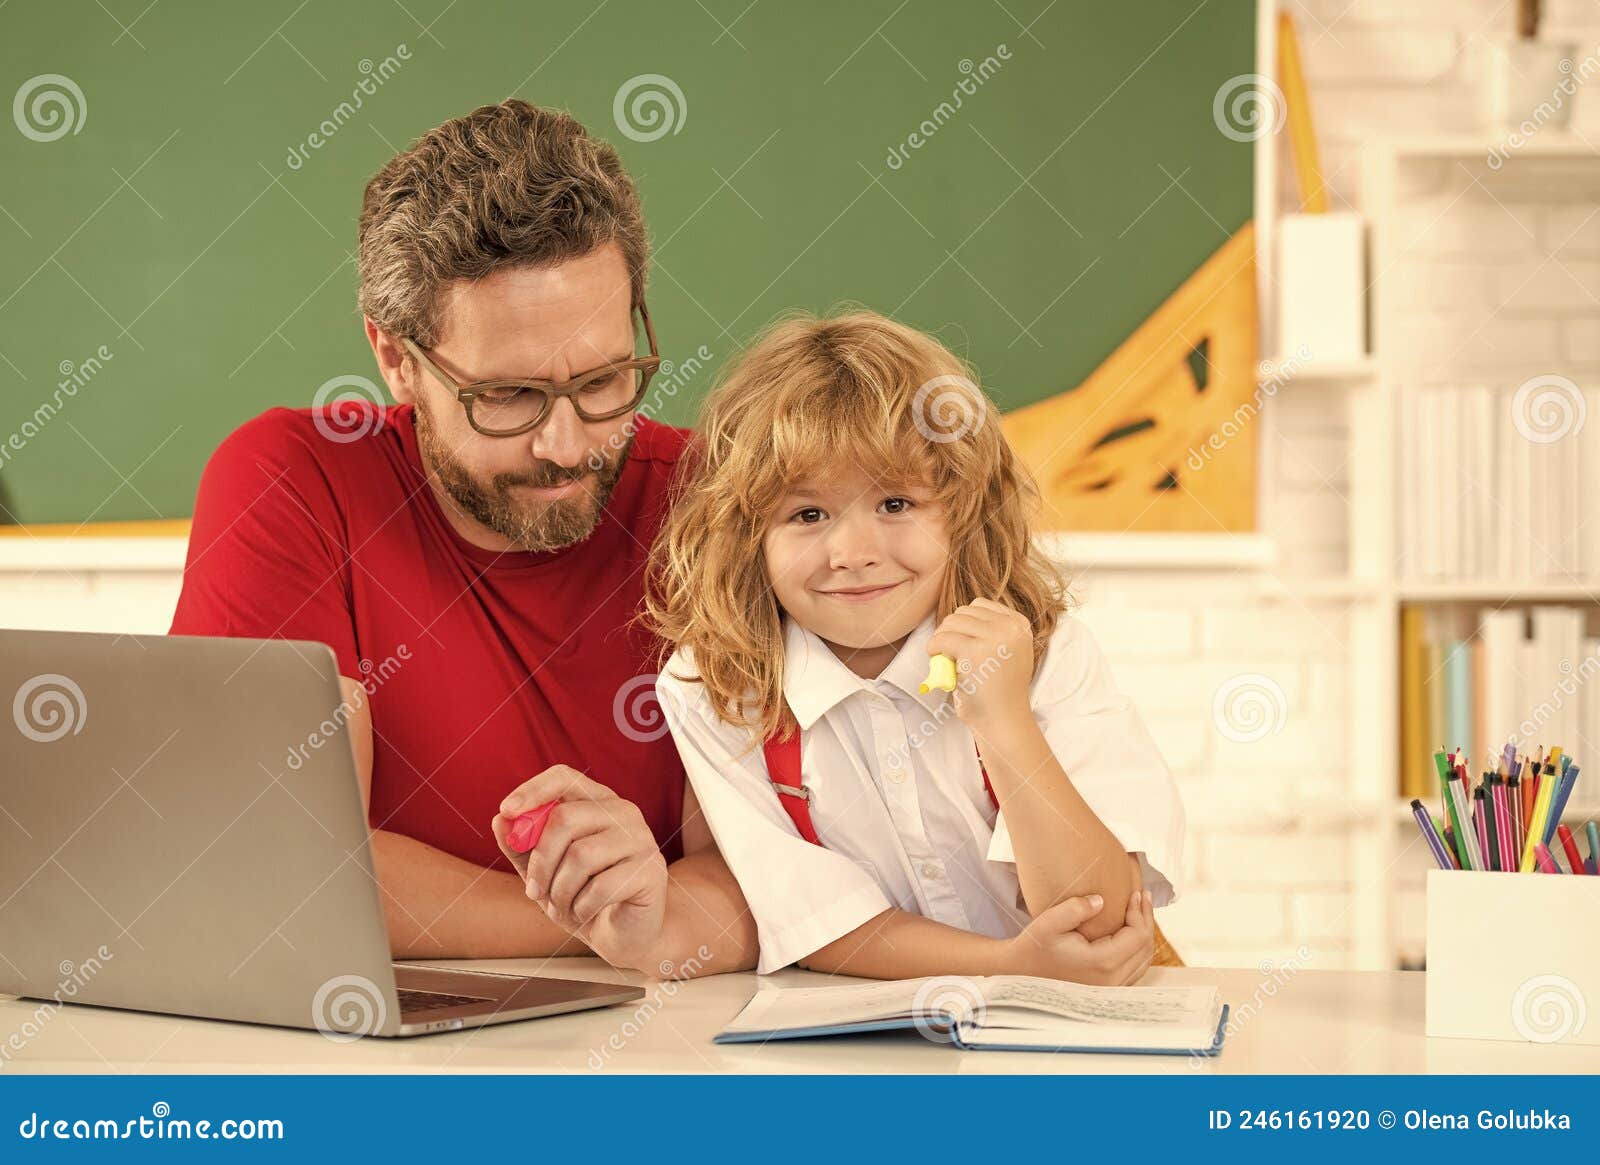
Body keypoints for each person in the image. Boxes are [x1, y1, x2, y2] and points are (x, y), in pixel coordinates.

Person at [605, 309, 1185, 979]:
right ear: (748, 536)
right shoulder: (715, 691)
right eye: (808, 514)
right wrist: (1009, 964)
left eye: (896, 505)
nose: (853, 553)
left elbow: (1102, 917)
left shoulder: (1048, 655)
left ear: (964, 509)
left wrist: (1006, 722)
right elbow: (814, 923)